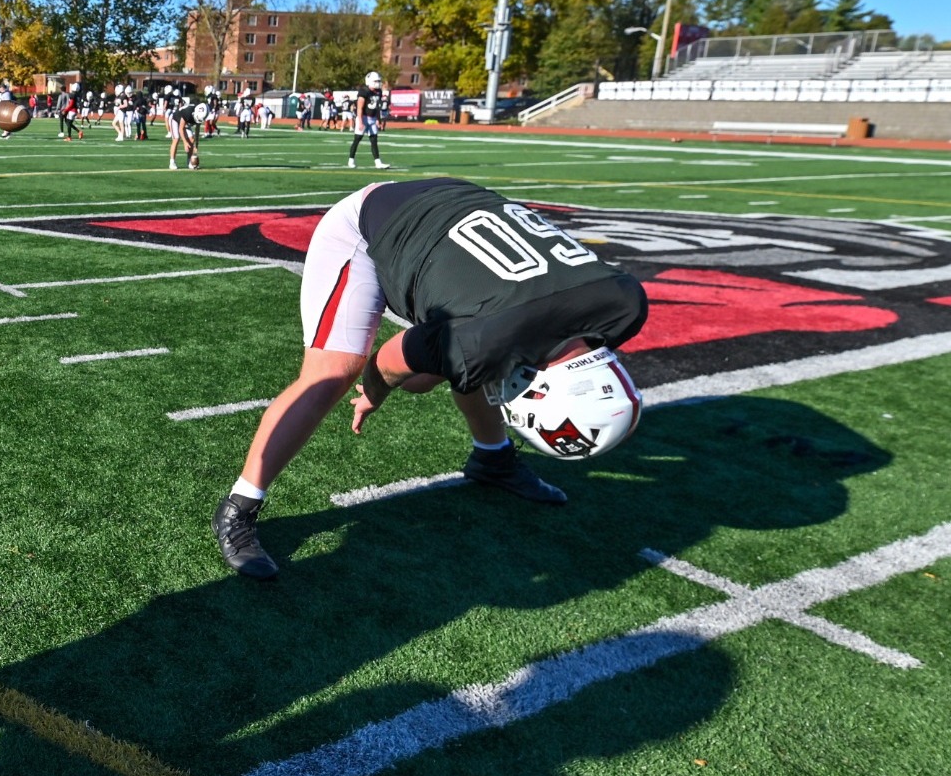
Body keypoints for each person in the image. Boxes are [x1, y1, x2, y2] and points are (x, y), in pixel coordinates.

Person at [210, 177, 650, 580]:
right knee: (333, 372)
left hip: (456, 207)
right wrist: (374, 394)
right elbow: (390, 363)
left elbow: (484, 344)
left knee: (476, 356)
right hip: (370, 225)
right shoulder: (481, 339)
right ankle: (239, 506)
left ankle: (493, 459)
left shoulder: (626, 303)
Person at [349, 70, 390, 169]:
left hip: (372, 118)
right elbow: (360, 107)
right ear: (370, 81)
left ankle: (378, 163)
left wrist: (378, 119)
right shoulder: (364, 91)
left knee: (374, 140)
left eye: (378, 81)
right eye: (376, 81)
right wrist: (360, 121)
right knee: (357, 139)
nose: (378, 83)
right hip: (363, 117)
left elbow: (377, 107)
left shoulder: (379, 92)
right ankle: (351, 160)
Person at [166, 90, 209, 169]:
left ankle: (189, 161)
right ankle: (172, 162)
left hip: (185, 122)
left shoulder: (199, 115)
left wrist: (196, 145)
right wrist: (185, 142)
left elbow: (197, 130)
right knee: (176, 139)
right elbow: (181, 128)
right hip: (175, 119)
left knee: (192, 139)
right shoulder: (188, 113)